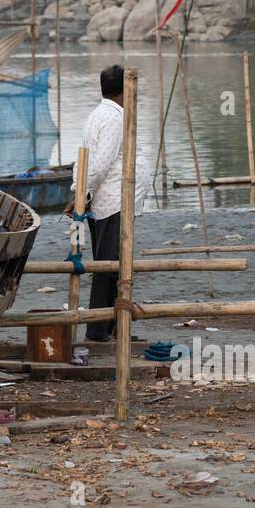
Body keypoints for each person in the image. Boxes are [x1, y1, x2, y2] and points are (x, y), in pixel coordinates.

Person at [65, 65, 145, 342]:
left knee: (115, 265)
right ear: (124, 92)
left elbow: (84, 159)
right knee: (109, 266)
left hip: (108, 199)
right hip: (112, 200)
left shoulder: (99, 114)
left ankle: (112, 325)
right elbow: (99, 164)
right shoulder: (111, 118)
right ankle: (98, 329)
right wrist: (82, 194)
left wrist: (80, 191)